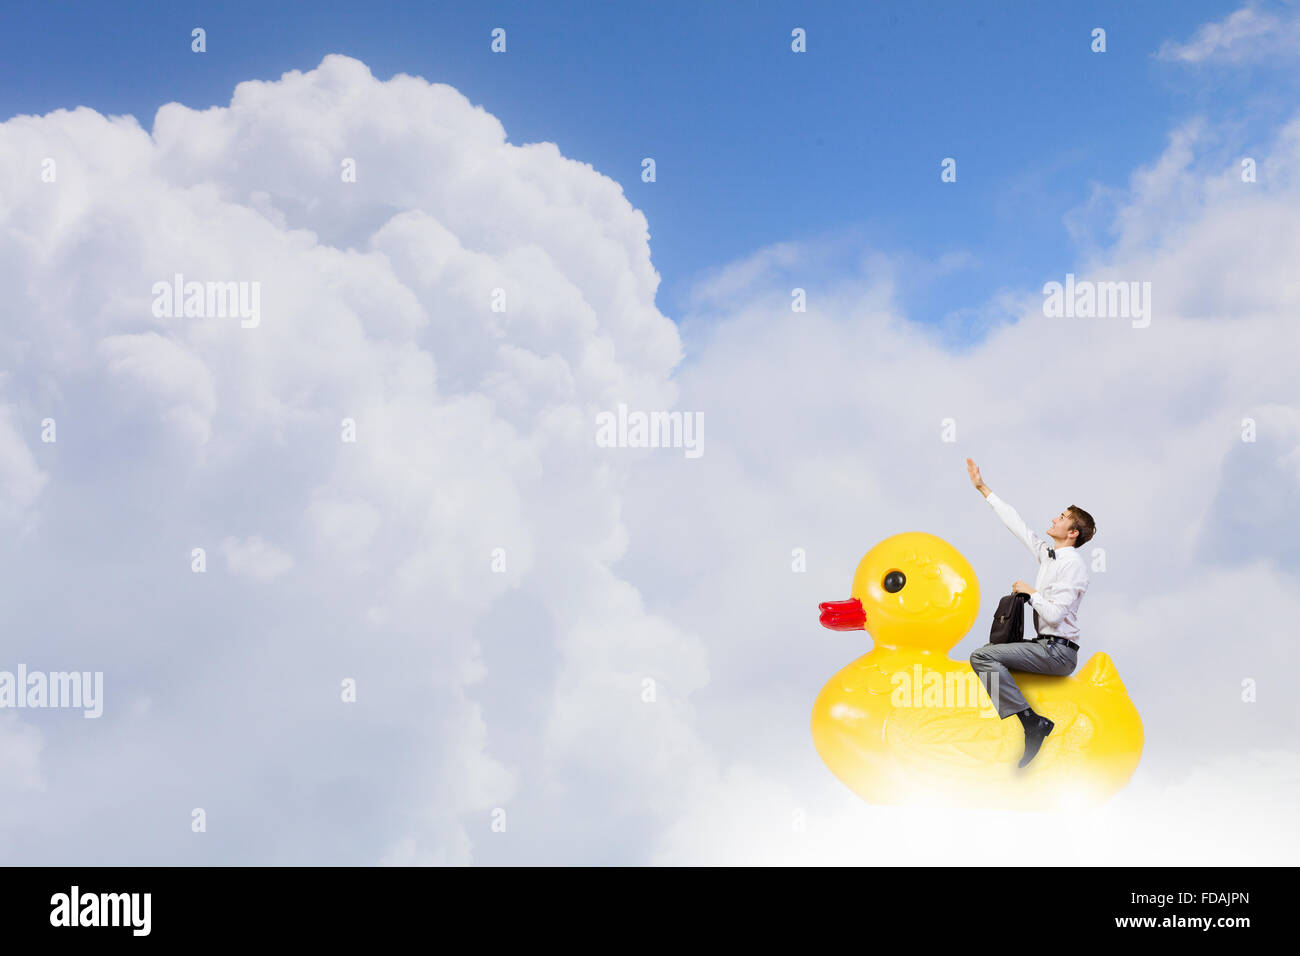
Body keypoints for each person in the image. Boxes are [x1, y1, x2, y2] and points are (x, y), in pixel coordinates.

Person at [965, 458, 1096, 768]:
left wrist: (1030, 592)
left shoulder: (1073, 566)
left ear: (1072, 533)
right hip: (1042, 646)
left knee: (982, 657)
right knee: (989, 652)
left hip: (1057, 653)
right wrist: (983, 488)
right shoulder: (1049, 557)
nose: (1054, 518)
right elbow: (1016, 523)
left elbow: (1053, 617)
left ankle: (1031, 723)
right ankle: (1023, 721)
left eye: (1062, 517)